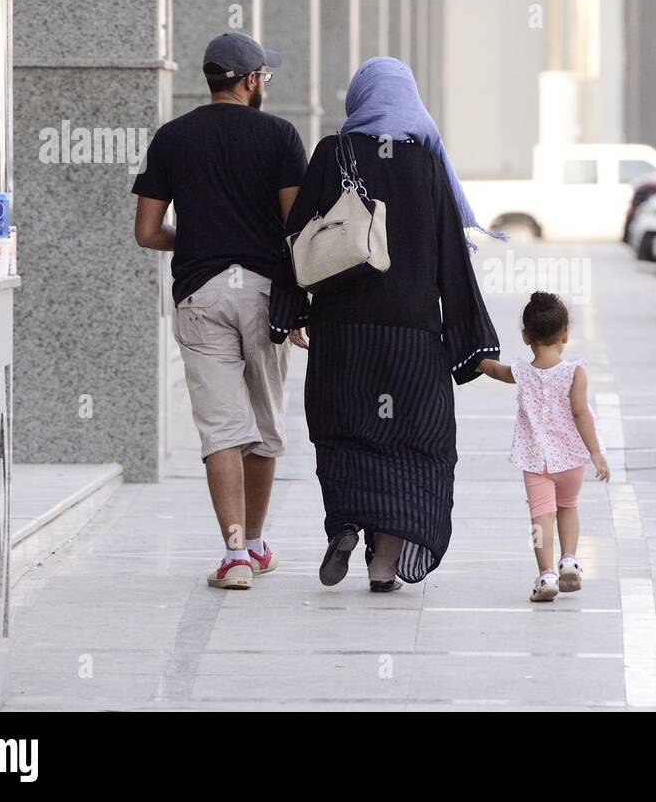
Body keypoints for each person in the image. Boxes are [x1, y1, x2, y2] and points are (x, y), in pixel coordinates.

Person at [270, 56, 500, 592]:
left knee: (345, 435)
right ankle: (382, 568)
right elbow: (451, 257)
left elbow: (298, 237)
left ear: (359, 100)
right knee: (417, 448)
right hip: (414, 339)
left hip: (342, 335)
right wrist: (471, 341)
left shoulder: (333, 152)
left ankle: (347, 525)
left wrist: (290, 311)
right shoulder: (424, 162)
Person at [133, 31, 306, 590]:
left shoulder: (172, 137)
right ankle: (256, 544)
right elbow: (296, 230)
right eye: (265, 78)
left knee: (220, 429)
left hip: (200, 294)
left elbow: (147, 231)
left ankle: (232, 556)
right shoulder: (280, 135)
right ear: (251, 80)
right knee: (263, 421)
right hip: (263, 291)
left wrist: (195, 241)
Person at [478, 292, 610, 602]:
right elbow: (580, 413)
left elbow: (496, 370)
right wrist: (596, 453)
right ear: (565, 333)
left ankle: (547, 575)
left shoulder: (522, 372)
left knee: (541, 518)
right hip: (571, 460)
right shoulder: (575, 372)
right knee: (568, 507)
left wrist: (475, 358)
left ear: (526, 337)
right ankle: (569, 560)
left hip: (536, 460)